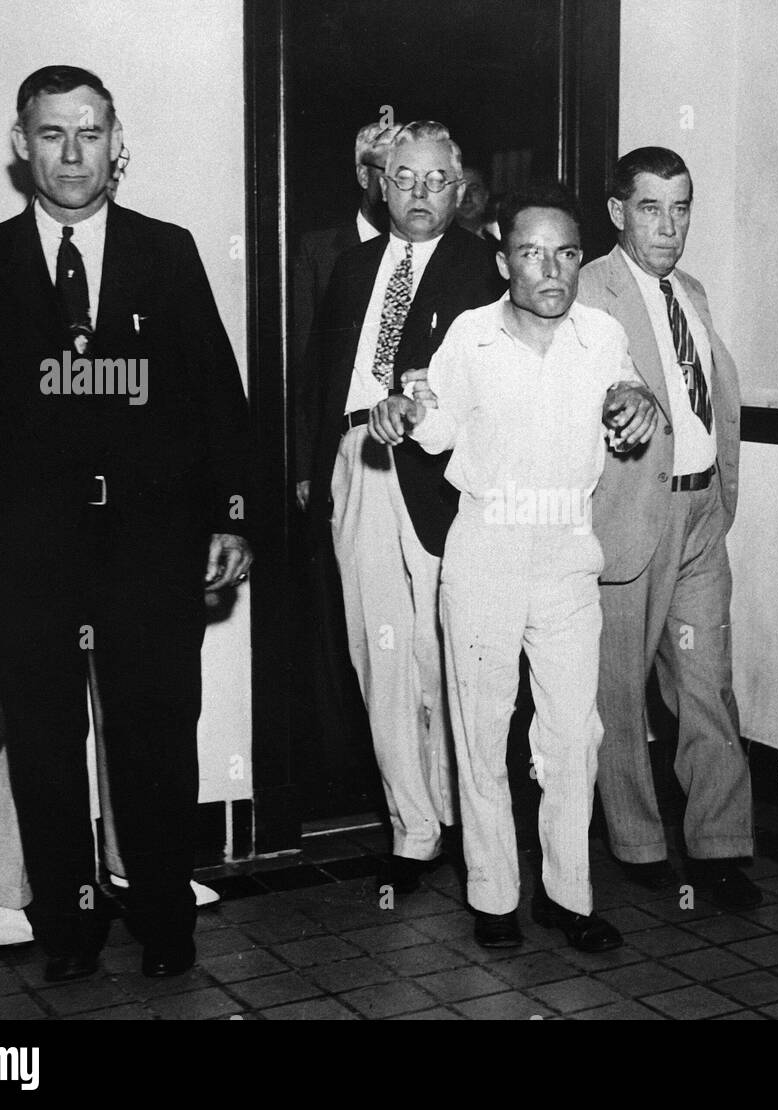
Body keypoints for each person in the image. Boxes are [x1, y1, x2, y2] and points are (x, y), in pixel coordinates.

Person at [0, 65, 253, 982]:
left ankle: (165, 922)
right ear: (23, 145)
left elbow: (219, 398)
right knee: (49, 751)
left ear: (118, 144)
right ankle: (68, 930)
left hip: (152, 554)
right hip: (28, 559)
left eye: (91, 133)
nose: (74, 153)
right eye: (53, 133)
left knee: (155, 738)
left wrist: (230, 514)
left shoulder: (169, 251)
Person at [377, 184, 658, 950]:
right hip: (486, 548)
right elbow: (432, 427)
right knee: (482, 726)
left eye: (566, 253)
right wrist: (404, 413)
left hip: (567, 549)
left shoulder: (601, 335)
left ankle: (568, 896)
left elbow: (631, 396)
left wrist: (638, 405)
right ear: (505, 261)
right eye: (531, 253)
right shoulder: (470, 336)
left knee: (575, 734)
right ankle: (495, 895)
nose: (551, 270)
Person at [308, 121, 503, 894]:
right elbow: (319, 371)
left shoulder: (482, 268)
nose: (419, 193)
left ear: (457, 190)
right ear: (379, 185)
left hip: (439, 476)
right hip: (358, 465)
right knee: (379, 656)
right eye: (403, 178)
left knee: (444, 654)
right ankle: (412, 828)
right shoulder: (352, 265)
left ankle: (466, 818)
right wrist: (312, 470)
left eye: (435, 180)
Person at [577, 147, 759, 909]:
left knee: (707, 685)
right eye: (651, 208)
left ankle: (719, 846)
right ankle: (639, 844)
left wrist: (715, 494)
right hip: (627, 515)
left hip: (699, 513)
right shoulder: (587, 287)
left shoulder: (692, 290)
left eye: (681, 208)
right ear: (618, 211)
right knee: (616, 692)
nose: (669, 226)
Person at [294, 121, 397, 511]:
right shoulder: (318, 252)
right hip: (340, 450)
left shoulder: (424, 255)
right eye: (388, 174)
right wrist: (304, 467)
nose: (398, 188)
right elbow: (302, 368)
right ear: (362, 174)